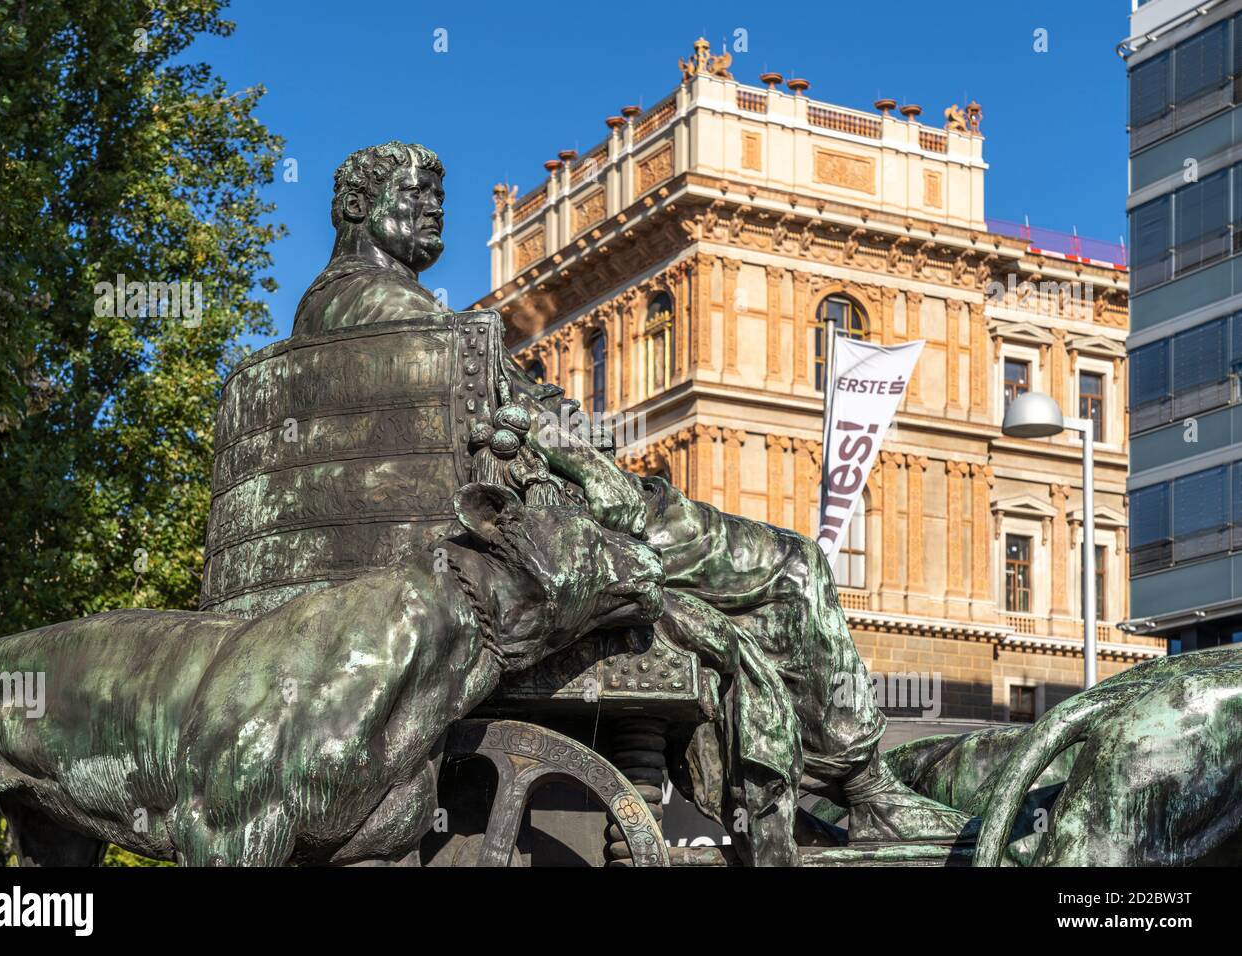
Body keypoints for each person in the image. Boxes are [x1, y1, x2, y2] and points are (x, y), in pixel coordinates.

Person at [292, 141, 974, 864]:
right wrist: (593, 466)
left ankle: (804, 788)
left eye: (439, 195)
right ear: (359, 206)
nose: (433, 209)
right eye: (415, 194)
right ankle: (866, 788)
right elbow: (513, 408)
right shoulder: (384, 305)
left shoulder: (358, 308)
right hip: (562, 530)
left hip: (534, 520)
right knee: (795, 567)